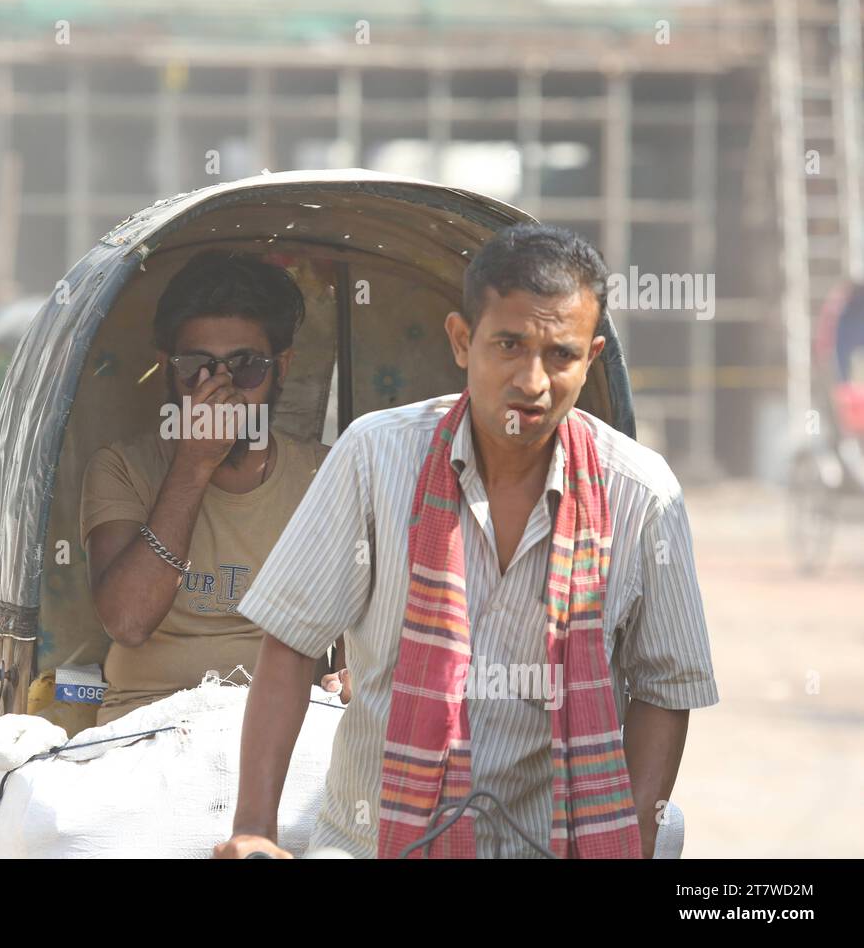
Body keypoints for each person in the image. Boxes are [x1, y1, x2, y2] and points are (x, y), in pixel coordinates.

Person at [215, 224, 719, 859]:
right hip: (376, 843)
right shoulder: (376, 457)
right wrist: (254, 830)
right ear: (462, 340)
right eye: (508, 344)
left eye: (559, 355)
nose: (532, 380)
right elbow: (290, 643)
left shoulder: (641, 493)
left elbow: (665, 691)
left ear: (589, 359)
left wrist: (632, 843)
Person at [79, 251, 334, 725]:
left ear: (282, 367)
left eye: (246, 367)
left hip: (284, 725)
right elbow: (128, 622)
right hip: (146, 724)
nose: (220, 387)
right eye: (197, 366)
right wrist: (194, 463)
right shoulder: (121, 468)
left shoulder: (323, 474)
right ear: (167, 369)